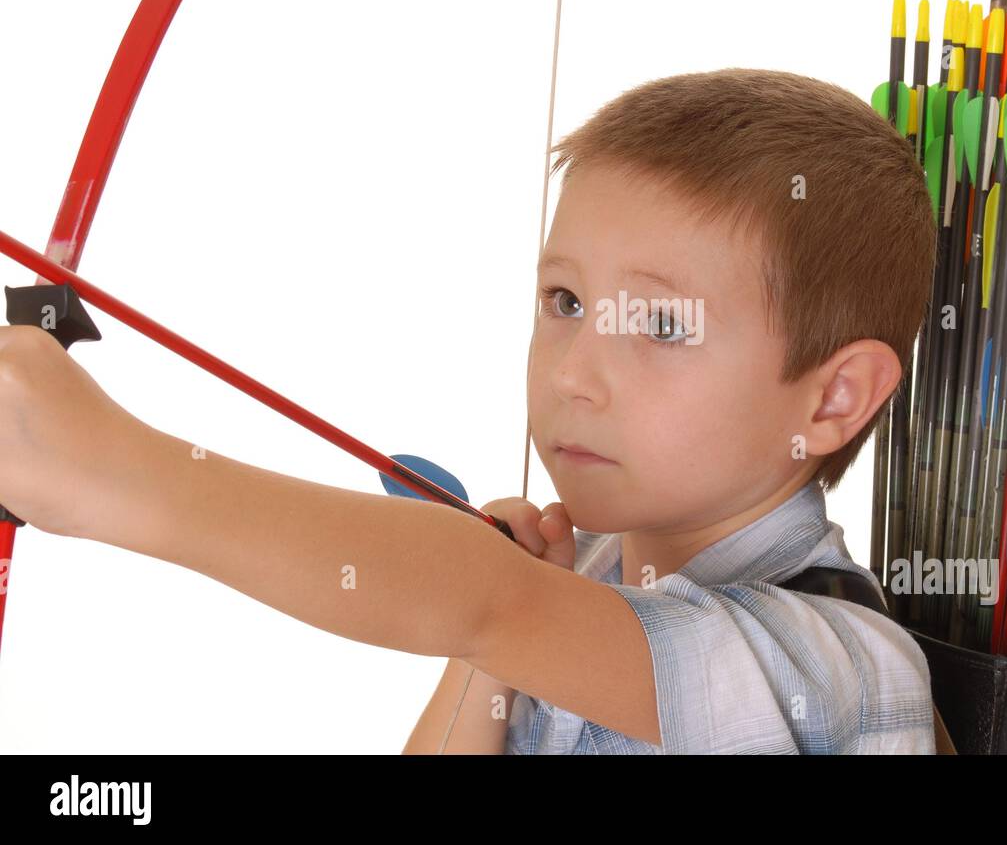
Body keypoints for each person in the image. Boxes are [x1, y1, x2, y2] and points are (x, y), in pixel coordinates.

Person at [0, 68, 937, 754]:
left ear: (833, 397)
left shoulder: (845, 666)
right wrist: (489, 656)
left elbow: (485, 602)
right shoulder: (585, 584)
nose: (575, 373)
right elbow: (493, 614)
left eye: (659, 323)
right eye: (565, 304)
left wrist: (116, 476)